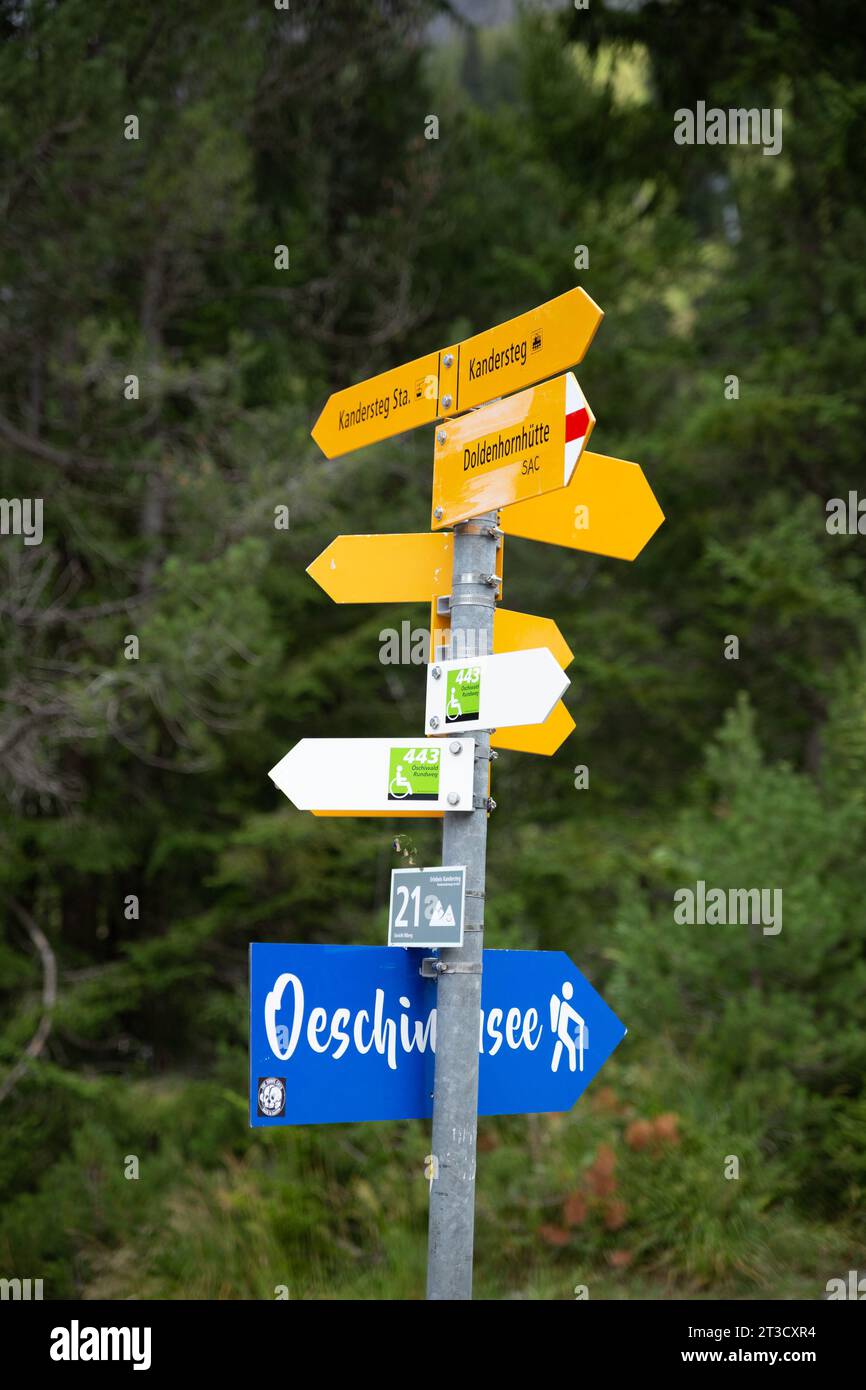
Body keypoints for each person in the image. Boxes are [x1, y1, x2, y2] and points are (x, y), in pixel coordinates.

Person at [550, 981, 586, 1072]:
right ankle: (573, 1068)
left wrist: (581, 1022)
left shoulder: (563, 1004)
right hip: (562, 1031)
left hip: (562, 1031)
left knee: (560, 1046)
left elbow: (576, 1017)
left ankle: (554, 1066)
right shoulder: (565, 1005)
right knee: (571, 1047)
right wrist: (580, 1021)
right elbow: (574, 1016)